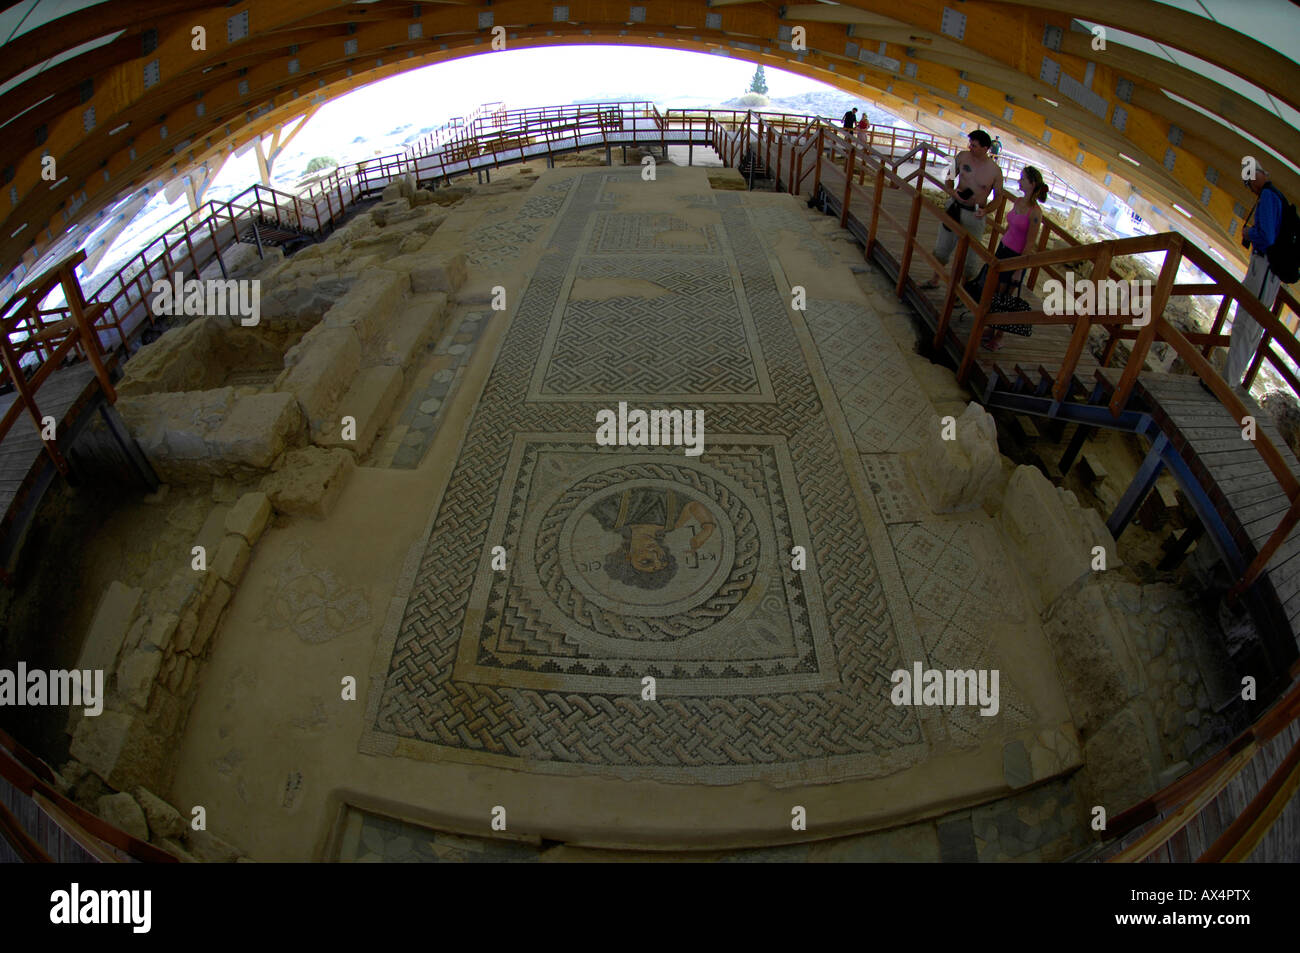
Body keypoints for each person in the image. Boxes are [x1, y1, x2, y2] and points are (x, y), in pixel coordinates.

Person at [1224, 166, 1284, 390]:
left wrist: (1249, 233)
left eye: (1248, 183)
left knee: (1246, 321)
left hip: (1264, 267)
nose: (1249, 188)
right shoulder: (1276, 197)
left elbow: (1267, 237)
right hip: (1269, 272)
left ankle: (1227, 382)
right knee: (1250, 325)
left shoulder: (1268, 196)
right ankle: (1231, 379)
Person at [920, 130, 1004, 290]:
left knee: (970, 256)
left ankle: (962, 291)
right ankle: (935, 279)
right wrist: (952, 192)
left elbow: (998, 197)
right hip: (955, 207)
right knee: (942, 246)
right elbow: (949, 177)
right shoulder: (962, 157)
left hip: (975, 214)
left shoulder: (994, 171)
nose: (970, 148)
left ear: (986, 148)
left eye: (974, 146)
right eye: (970, 144)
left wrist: (986, 211)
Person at [977, 166, 1047, 350]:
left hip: (1016, 256)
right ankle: (992, 328)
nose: (1019, 181)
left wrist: (1019, 269)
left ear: (1032, 184)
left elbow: (1030, 243)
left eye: (1023, 178)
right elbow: (1010, 227)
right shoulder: (1017, 201)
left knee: (1007, 296)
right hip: (1004, 249)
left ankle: (1000, 336)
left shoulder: (1035, 213)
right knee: (996, 292)